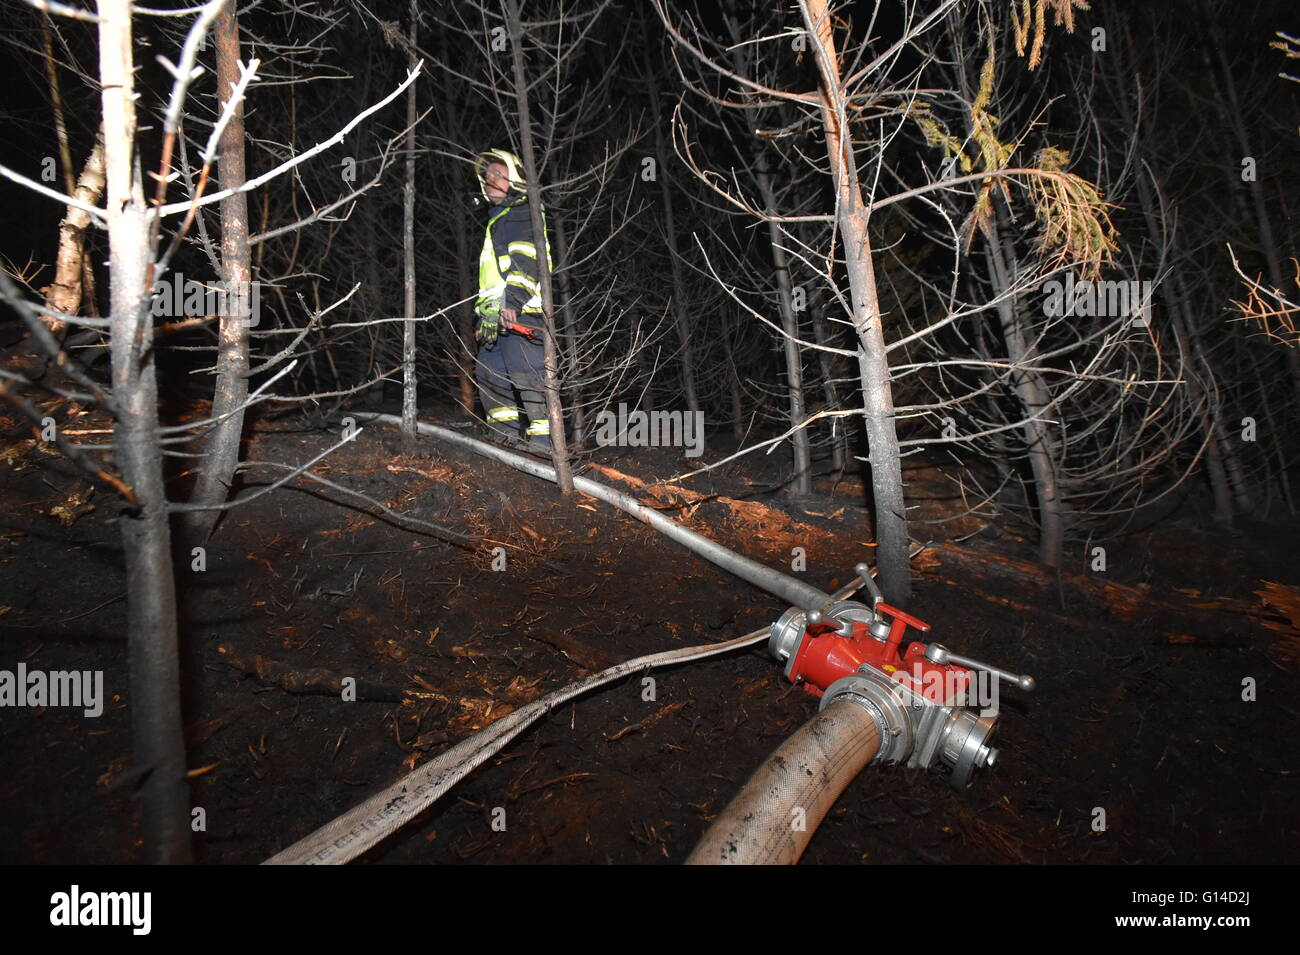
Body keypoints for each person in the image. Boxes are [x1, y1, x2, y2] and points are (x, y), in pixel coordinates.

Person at [472, 148, 553, 452]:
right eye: (488, 175)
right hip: (499, 317)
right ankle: (504, 438)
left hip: (522, 314)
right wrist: (486, 318)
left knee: (527, 375)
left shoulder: (520, 212)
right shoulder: (501, 218)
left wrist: (513, 303)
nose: (489, 179)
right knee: (488, 372)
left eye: (498, 174)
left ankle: (544, 443)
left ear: (516, 178)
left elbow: (525, 260)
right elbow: (494, 279)